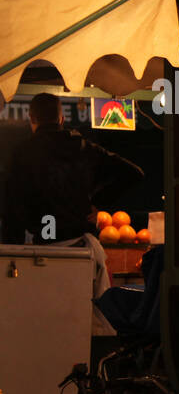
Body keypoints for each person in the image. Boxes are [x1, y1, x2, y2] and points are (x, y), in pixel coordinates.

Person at [2, 93, 143, 307]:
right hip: (79, 254)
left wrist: (10, 251)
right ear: (61, 119)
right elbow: (134, 173)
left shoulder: (22, 153)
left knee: (43, 314)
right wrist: (98, 202)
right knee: (78, 318)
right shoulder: (83, 147)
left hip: (37, 255)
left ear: (32, 118)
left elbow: (12, 207)